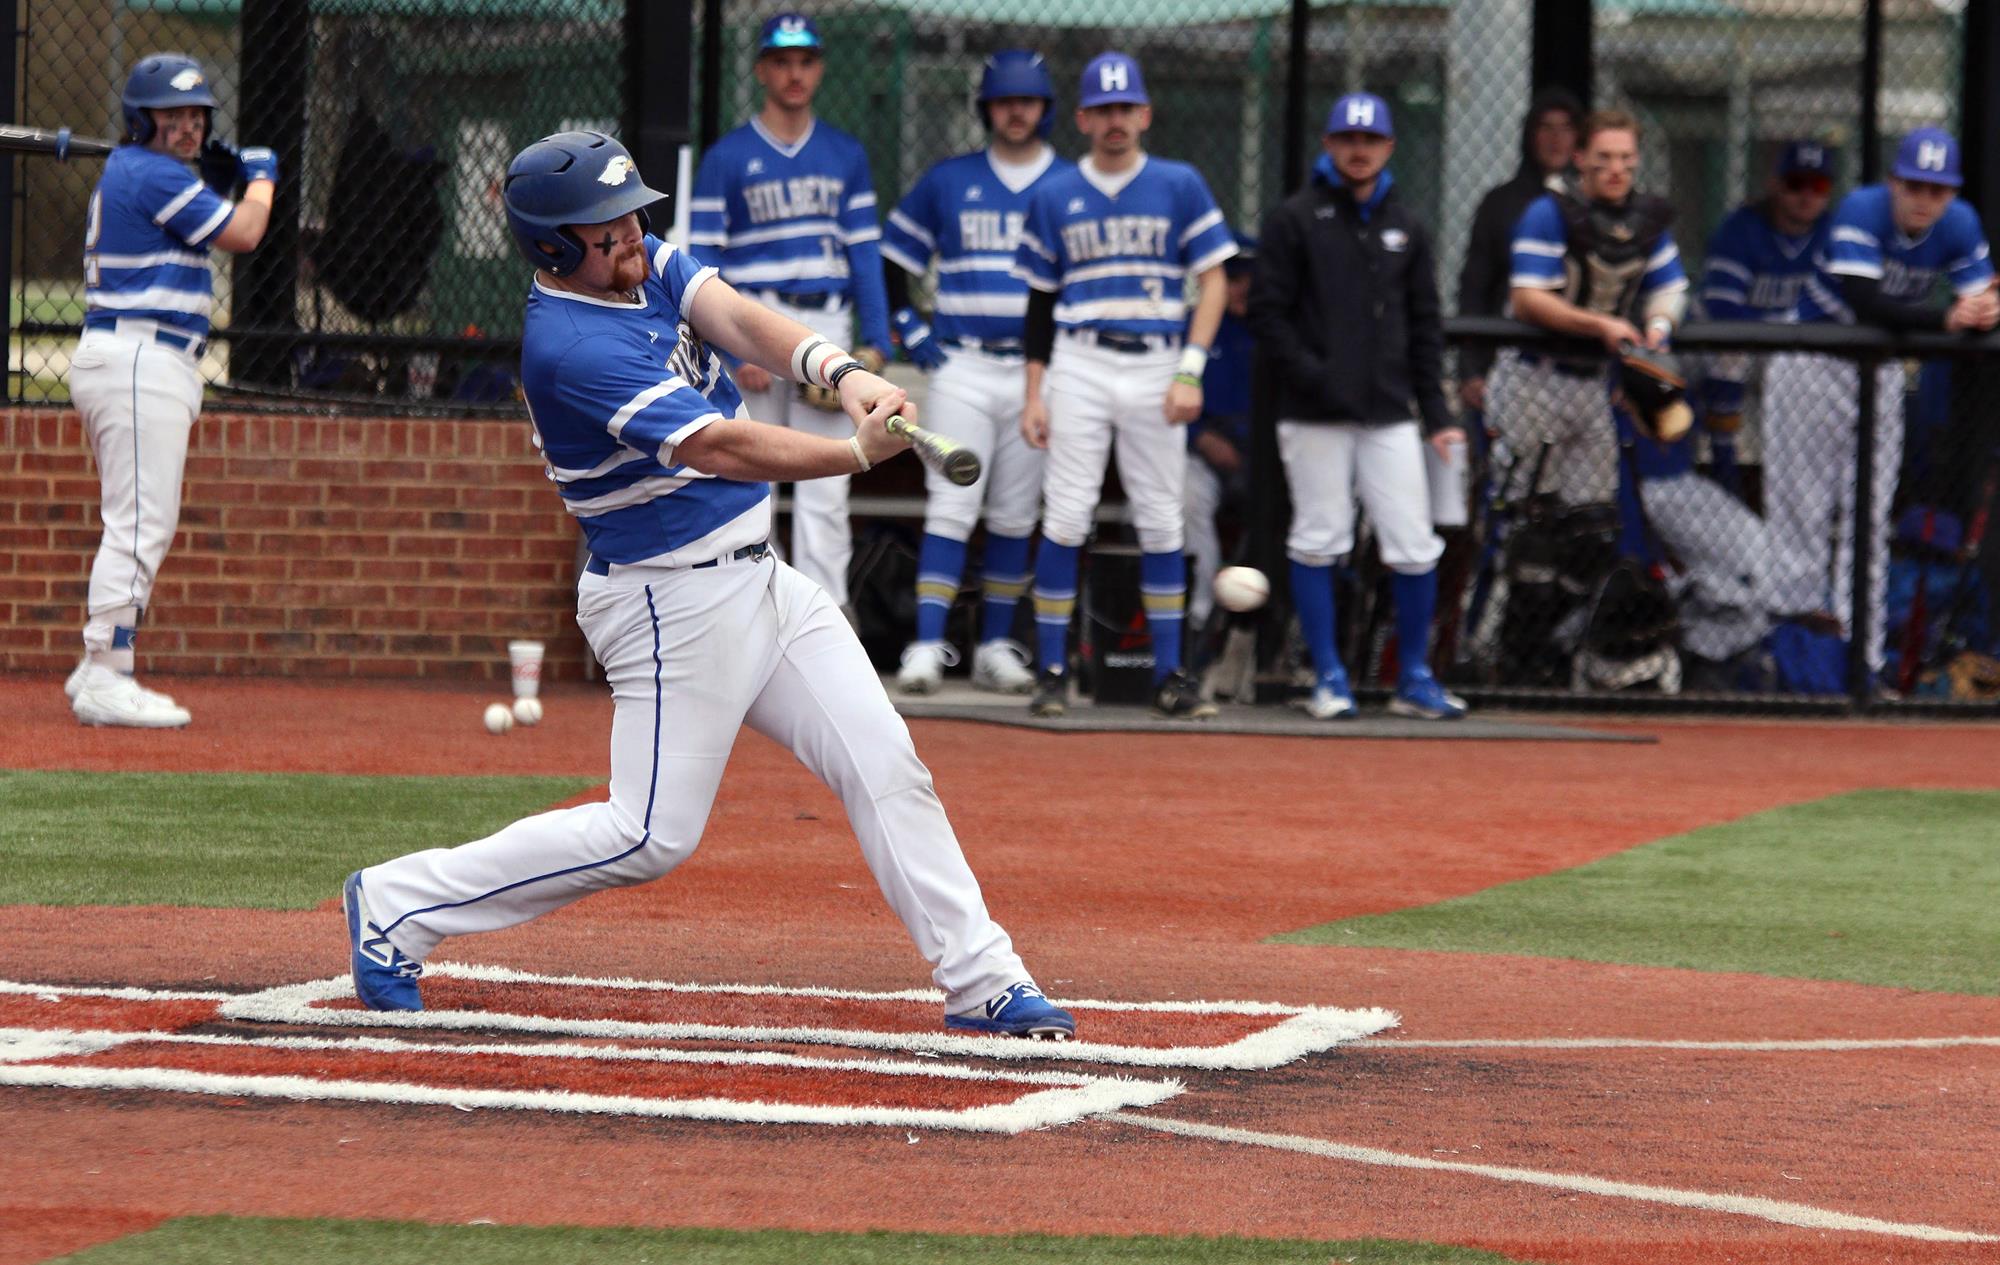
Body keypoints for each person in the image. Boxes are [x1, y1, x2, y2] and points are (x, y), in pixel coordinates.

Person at [340, 131, 1075, 1045]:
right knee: (648, 834)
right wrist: (853, 454)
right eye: (607, 228)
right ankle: (395, 903)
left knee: (885, 759)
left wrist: (837, 372)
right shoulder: (568, 346)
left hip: (760, 578)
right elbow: (721, 449)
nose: (633, 234)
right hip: (666, 602)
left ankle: (983, 979)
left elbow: (732, 312)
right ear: (554, 248)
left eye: (632, 215)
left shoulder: (635, 265)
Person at [1011, 51, 1239, 720]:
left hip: (1155, 361)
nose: (1115, 120)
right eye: (1102, 109)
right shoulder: (1054, 192)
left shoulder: (1179, 183)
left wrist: (1190, 369)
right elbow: (1039, 304)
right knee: (1066, 513)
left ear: (1145, 114)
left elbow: (1216, 278)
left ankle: (1172, 675)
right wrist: (1034, 391)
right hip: (1080, 358)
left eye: (1126, 108)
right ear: (1082, 117)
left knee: (1162, 514)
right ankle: (1052, 669)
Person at [62, 53, 277, 728]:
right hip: (138, 357)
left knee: (136, 519)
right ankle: (107, 670)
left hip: (143, 360)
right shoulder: (148, 172)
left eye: (195, 117)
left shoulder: (144, 171)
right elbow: (245, 232)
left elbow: (209, 219)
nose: (186, 127)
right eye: (171, 115)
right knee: (140, 523)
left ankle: (97, 663)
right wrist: (260, 178)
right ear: (140, 119)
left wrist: (217, 179)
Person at [1250, 94, 1467, 720]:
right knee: (1319, 538)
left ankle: (1415, 678)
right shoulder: (1295, 217)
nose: (1359, 148)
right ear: (1328, 143)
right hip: (1313, 412)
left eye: (1370, 139)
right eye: (1347, 137)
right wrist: (1317, 377)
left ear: (1390, 147)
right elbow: (1268, 314)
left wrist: (1439, 414)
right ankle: (1330, 677)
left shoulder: (1408, 224)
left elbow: (1426, 326)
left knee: (1412, 542)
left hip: (1390, 411)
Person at [881, 50, 1072, 697]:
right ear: (986, 108)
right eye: (1003, 100)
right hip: (962, 360)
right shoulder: (950, 179)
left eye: (1027, 99)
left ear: (1045, 107)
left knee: (1017, 512)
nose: (1016, 110)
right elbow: (892, 262)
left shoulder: (1070, 183)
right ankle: (928, 644)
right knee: (953, 501)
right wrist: (912, 331)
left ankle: (995, 645)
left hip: (1034, 372)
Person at [688, 13, 893, 614]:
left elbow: (864, 257)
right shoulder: (727, 157)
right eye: (781, 61)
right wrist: (729, 351)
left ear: (819, 68)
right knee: (755, 485)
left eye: (804, 61)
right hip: (755, 320)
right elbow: (702, 265)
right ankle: (761, 620)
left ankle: (830, 626)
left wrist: (875, 344)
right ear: (761, 70)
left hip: (826, 319)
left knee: (829, 490)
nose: (794, 73)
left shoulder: (845, 154)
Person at [1779, 127, 1998, 678]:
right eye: (1916, 186)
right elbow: (1864, 300)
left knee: (1870, 520)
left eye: (1938, 190)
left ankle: (1862, 664)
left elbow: (1979, 295)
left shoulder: (1960, 222)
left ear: (1952, 193)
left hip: (1876, 373)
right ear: (1894, 182)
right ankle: (1792, 665)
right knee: (1802, 523)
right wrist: (1949, 318)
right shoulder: (1862, 208)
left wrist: (1981, 310)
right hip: (1813, 361)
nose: (1925, 200)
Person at [1456, 87, 1581, 419]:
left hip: (1581, 365)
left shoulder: (1593, 206)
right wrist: (1470, 369)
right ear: (1530, 136)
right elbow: (1475, 287)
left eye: (1566, 128)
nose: (1556, 138)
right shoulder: (1500, 204)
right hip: (1510, 361)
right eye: (1546, 127)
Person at [1184, 232, 1256, 636]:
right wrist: (1199, 437)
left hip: (1264, 456)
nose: (1242, 287)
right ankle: (1199, 618)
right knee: (1185, 497)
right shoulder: (1193, 329)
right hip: (1204, 452)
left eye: (1249, 277)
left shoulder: (1275, 330)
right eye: (1232, 278)